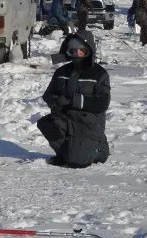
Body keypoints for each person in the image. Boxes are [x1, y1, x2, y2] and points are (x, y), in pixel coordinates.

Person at [36, 31, 110, 168]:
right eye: (73, 50)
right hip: (66, 119)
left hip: (88, 123)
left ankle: (100, 149)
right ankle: (64, 153)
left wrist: (75, 101)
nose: (77, 53)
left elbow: (103, 103)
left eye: (81, 50)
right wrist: (57, 102)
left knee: (78, 163)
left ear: (89, 50)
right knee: (46, 124)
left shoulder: (99, 73)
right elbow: (48, 95)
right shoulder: (62, 72)